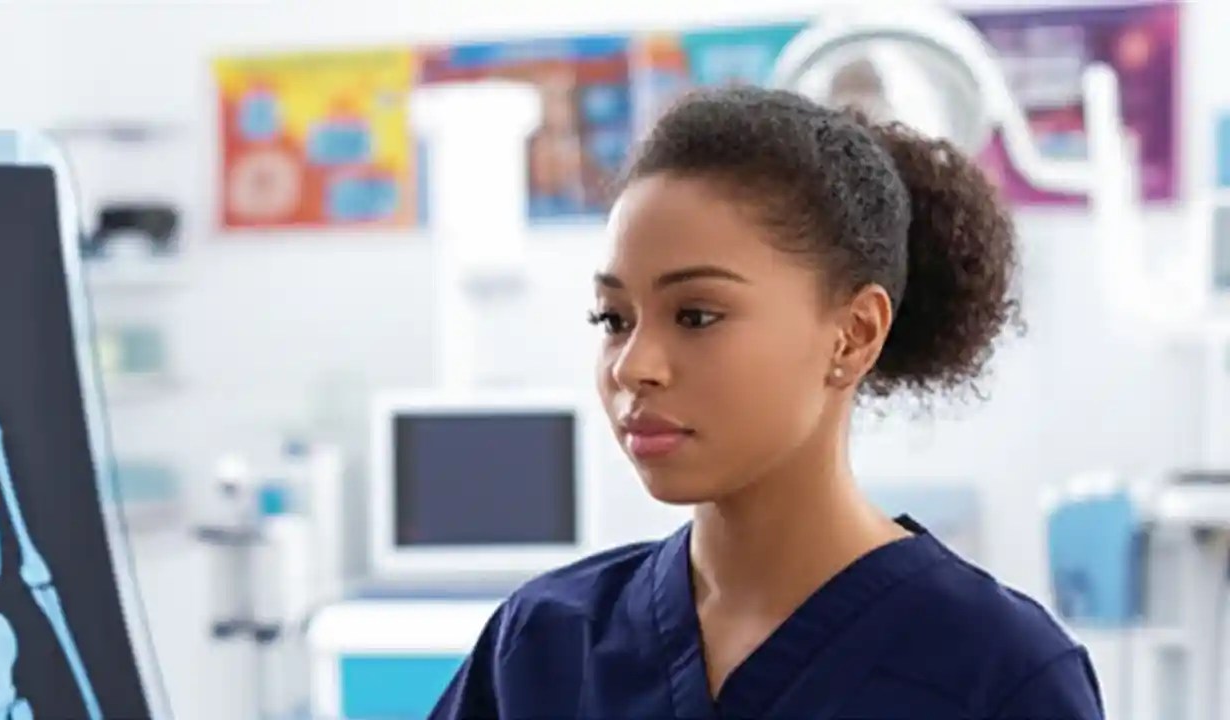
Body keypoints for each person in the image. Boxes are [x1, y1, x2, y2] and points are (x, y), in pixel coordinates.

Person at [430, 86, 1104, 719]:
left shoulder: (996, 675)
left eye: (695, 315)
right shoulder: (545, 646)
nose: (635, 366)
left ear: (854, 333)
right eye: (613, 319)